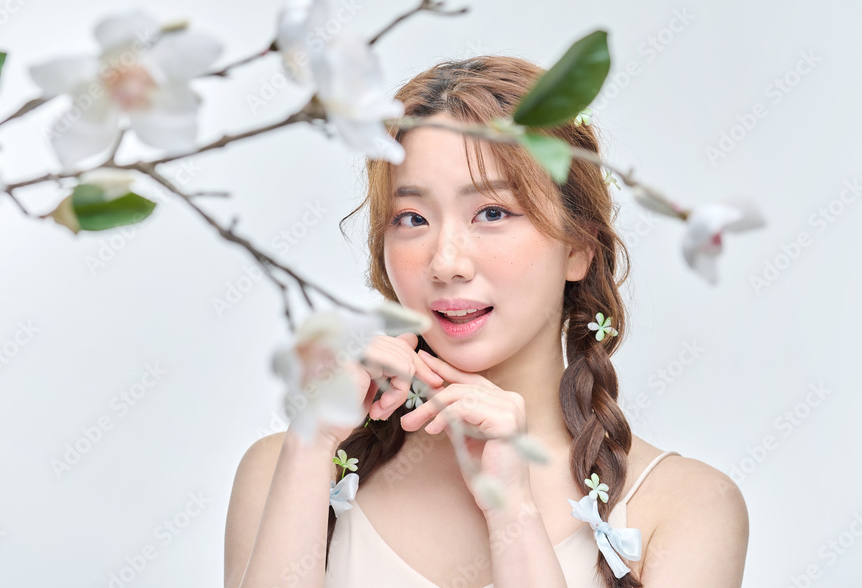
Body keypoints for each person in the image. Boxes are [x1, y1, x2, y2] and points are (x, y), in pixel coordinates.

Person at [224, 56, 750, 588]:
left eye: (492, 213)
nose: (446, 262)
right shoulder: (285, 469)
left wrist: (514, 514)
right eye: (412, 219)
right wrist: (311, 449)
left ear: (579, 248)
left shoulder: (684, 506)